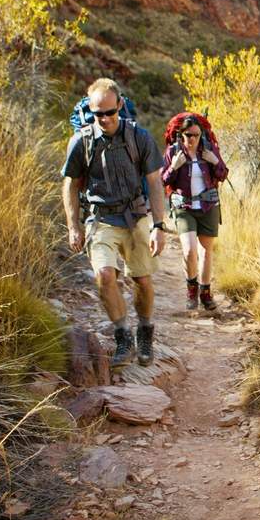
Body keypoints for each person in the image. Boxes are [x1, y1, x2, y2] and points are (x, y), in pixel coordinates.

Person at [62, 78, 168, 367]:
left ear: (120, 105)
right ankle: (123, 334)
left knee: (142, 280)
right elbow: (70, 185)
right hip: (101, 218)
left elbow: (155, 183)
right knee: (105, 276)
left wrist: (159, 225)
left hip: (135, 215)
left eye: (110, 112)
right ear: (91, 111)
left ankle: (145, 329)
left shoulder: (139, 137)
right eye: (98, 114)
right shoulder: (81, 142)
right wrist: (74, 226)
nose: (105, 119)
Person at [161, 112, 228, 311]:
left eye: (196, 135)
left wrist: (214, 161)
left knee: (206, 253)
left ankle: (206, 293)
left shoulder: (209, 149)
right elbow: (163, 180)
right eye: (188, 135)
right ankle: (192, 289)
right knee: (190, 250)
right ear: (181, 135)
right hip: (184, 207)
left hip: (208, 205)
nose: (192, 139)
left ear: (201, 135)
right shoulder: (173, 152)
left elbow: (223, 174)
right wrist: (174, 167)